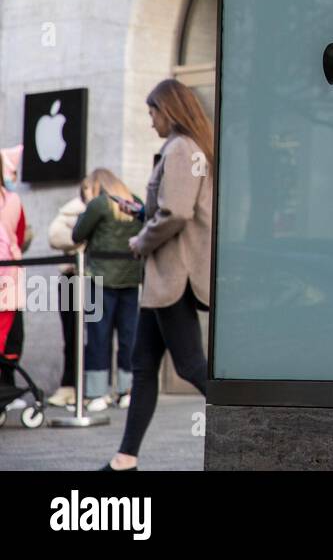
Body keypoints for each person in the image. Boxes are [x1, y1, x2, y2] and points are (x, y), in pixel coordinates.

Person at [101, 80, 213, 472]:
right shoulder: (186, 148)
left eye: (152, 113)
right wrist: (141, 212)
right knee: (144, 365)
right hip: (165, 278)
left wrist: (141, 241)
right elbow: (172, 207)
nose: (150, 122)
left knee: (191, 366)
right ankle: (124, 459)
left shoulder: (181, 149)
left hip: (173, 275)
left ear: (169, 110)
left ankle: (262, 421)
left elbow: (178, 213)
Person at [73, 168, 145, 412]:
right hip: (130, 279)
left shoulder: (99, 205)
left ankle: (96, 394)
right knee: (129, 337)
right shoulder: (136, 202)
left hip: (100, 278)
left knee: (98, 336)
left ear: (96, 185)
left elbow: (77, 234)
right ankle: (128, 391)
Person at [46, 192, 88, 408]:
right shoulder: (70, 210)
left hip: (92, 279)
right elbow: (55, 236)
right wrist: (82, 241)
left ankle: (87, 388)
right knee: (70, 335)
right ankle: (69, 386)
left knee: (92, 337)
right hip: (70, 278)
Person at [0, 146, 32, 401]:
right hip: (8, 277)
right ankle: (5, 390)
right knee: (9, 336)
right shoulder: (11, 201)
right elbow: (20, 236)